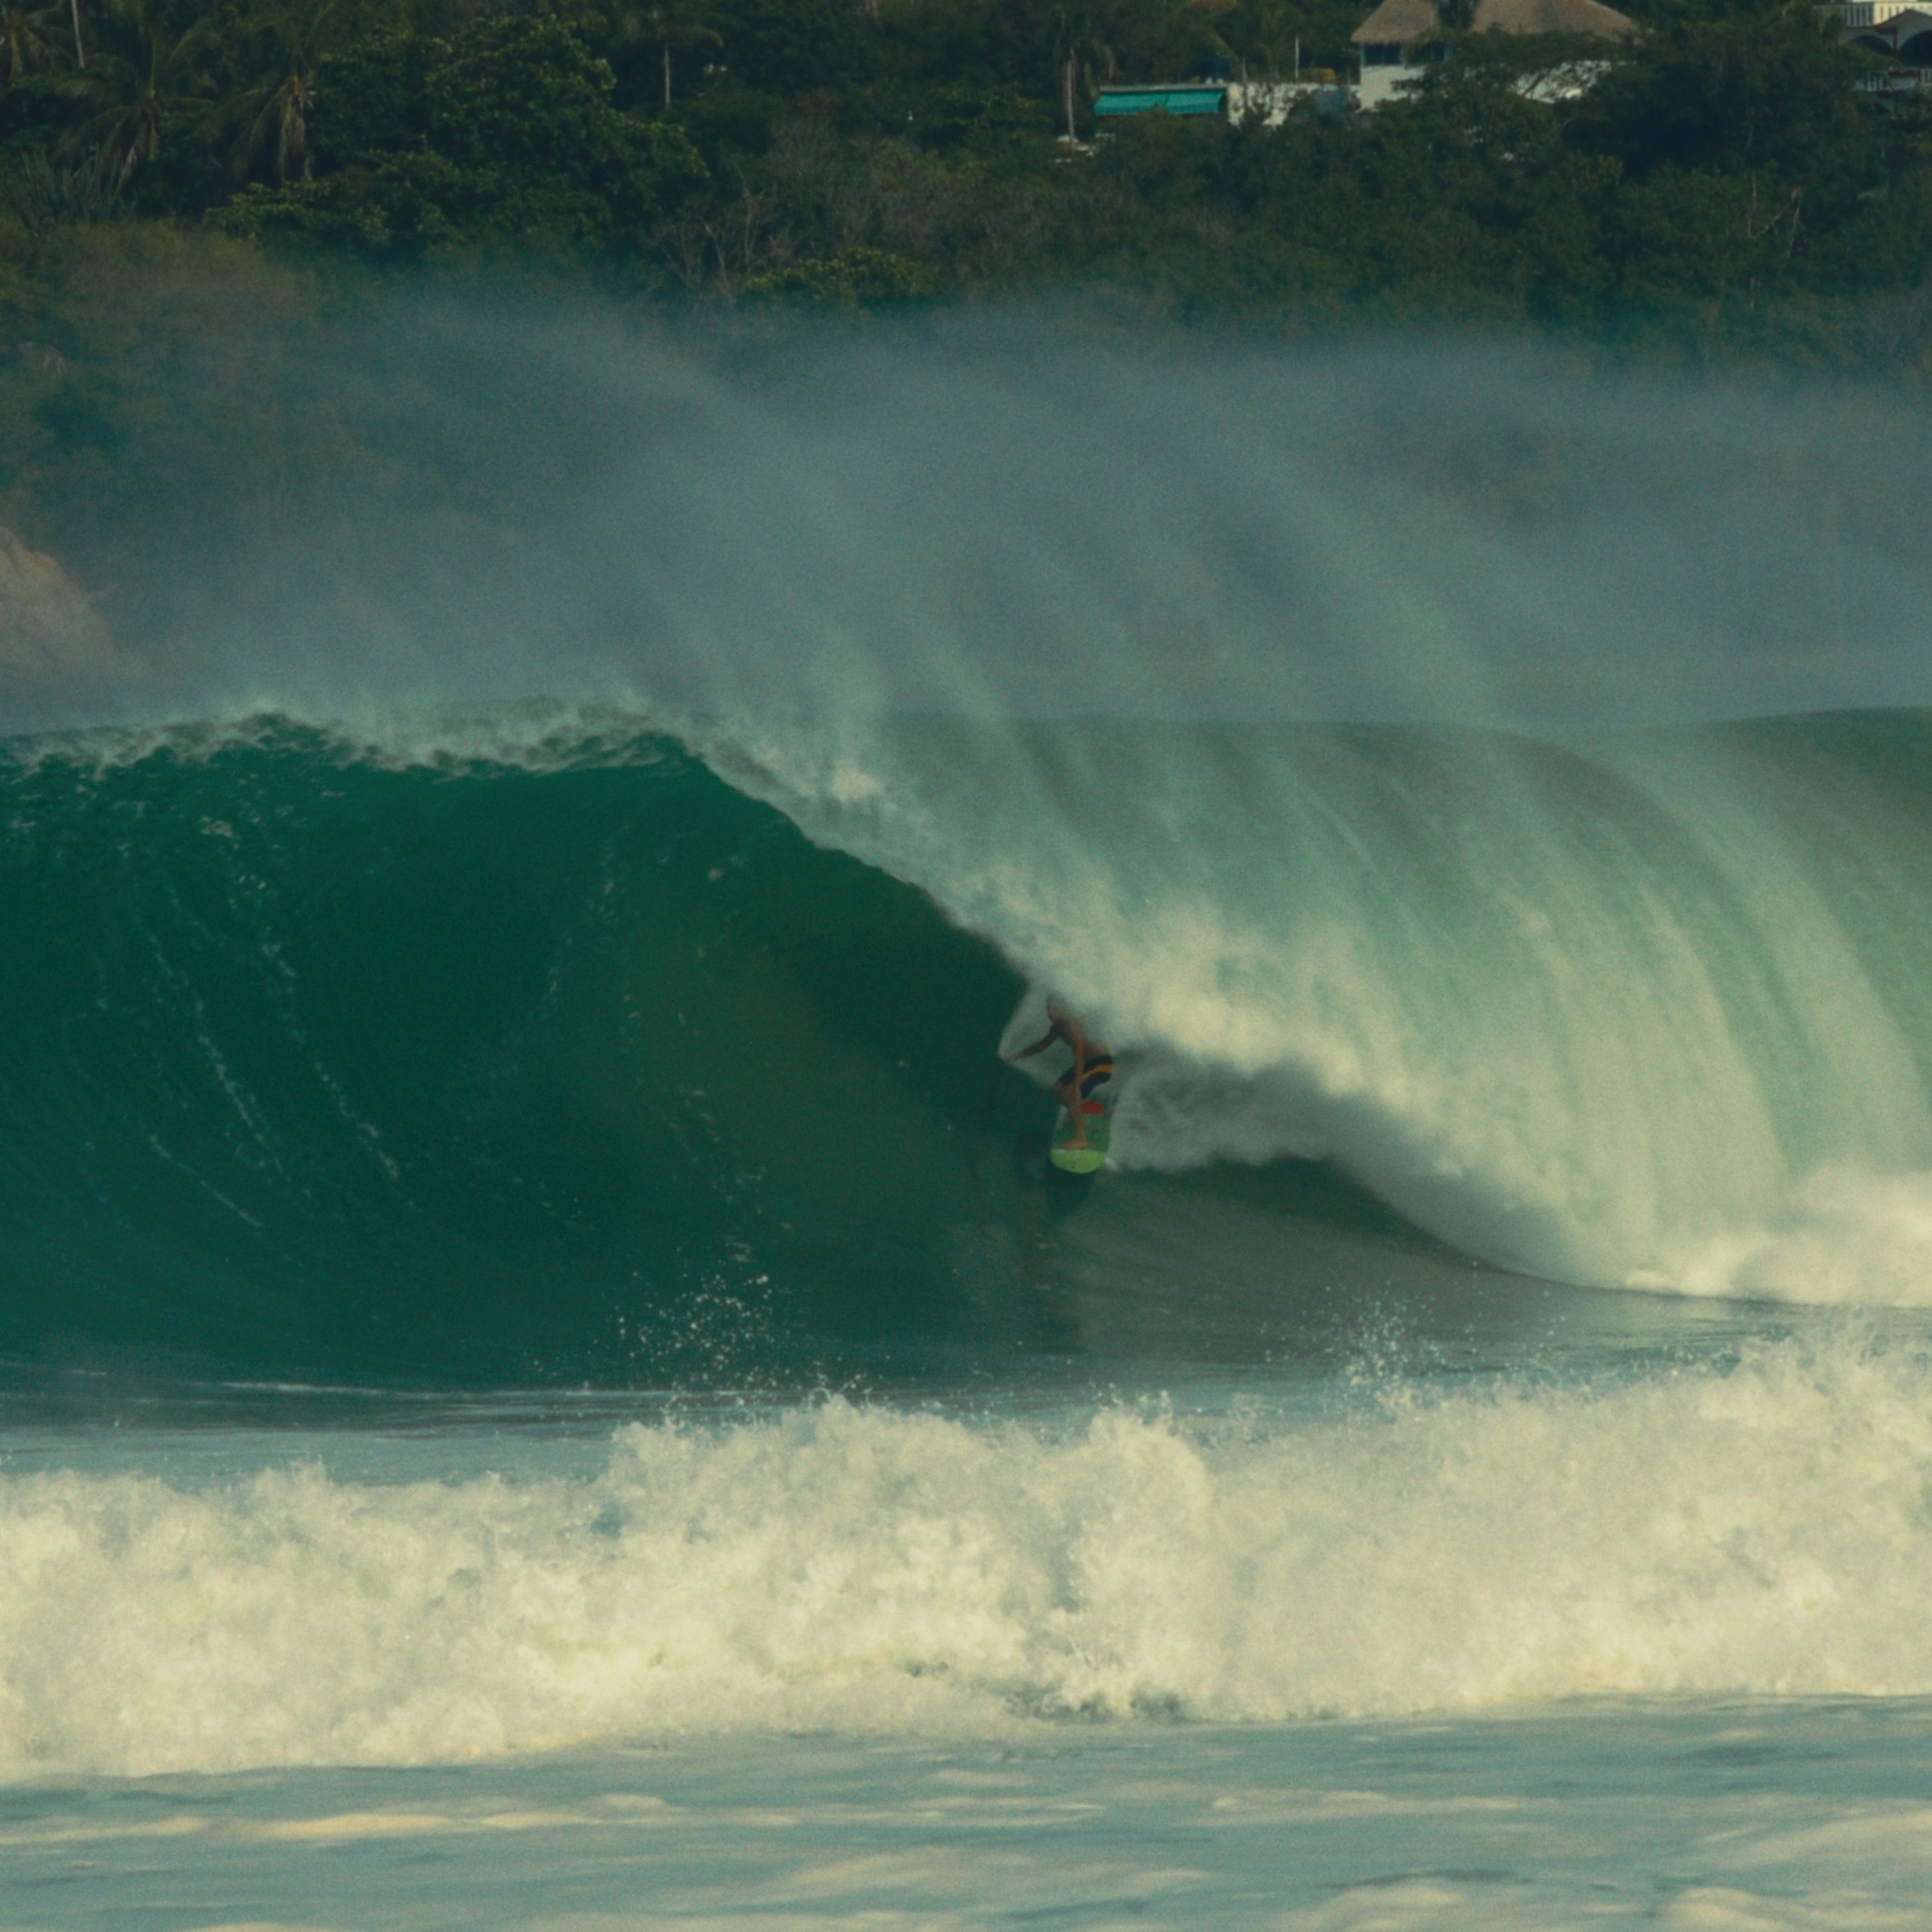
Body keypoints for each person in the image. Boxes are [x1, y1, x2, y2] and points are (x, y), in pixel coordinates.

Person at [1004, 998, 1115, 1151]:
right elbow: (1041, 1045)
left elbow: (1079, 1056)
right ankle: (1080, 1121)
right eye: (1048, 1009)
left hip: (1102, 1064)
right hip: (1089, 1065)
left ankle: (1081, 1139)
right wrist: (1017, 1056)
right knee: (1056, 1091)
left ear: (1063, 1010)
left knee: (1070, 1093)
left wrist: (1076, 1087)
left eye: (1054, 1009)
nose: (1050, 1013)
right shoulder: (1058, 1028)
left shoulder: (1072, 1025)